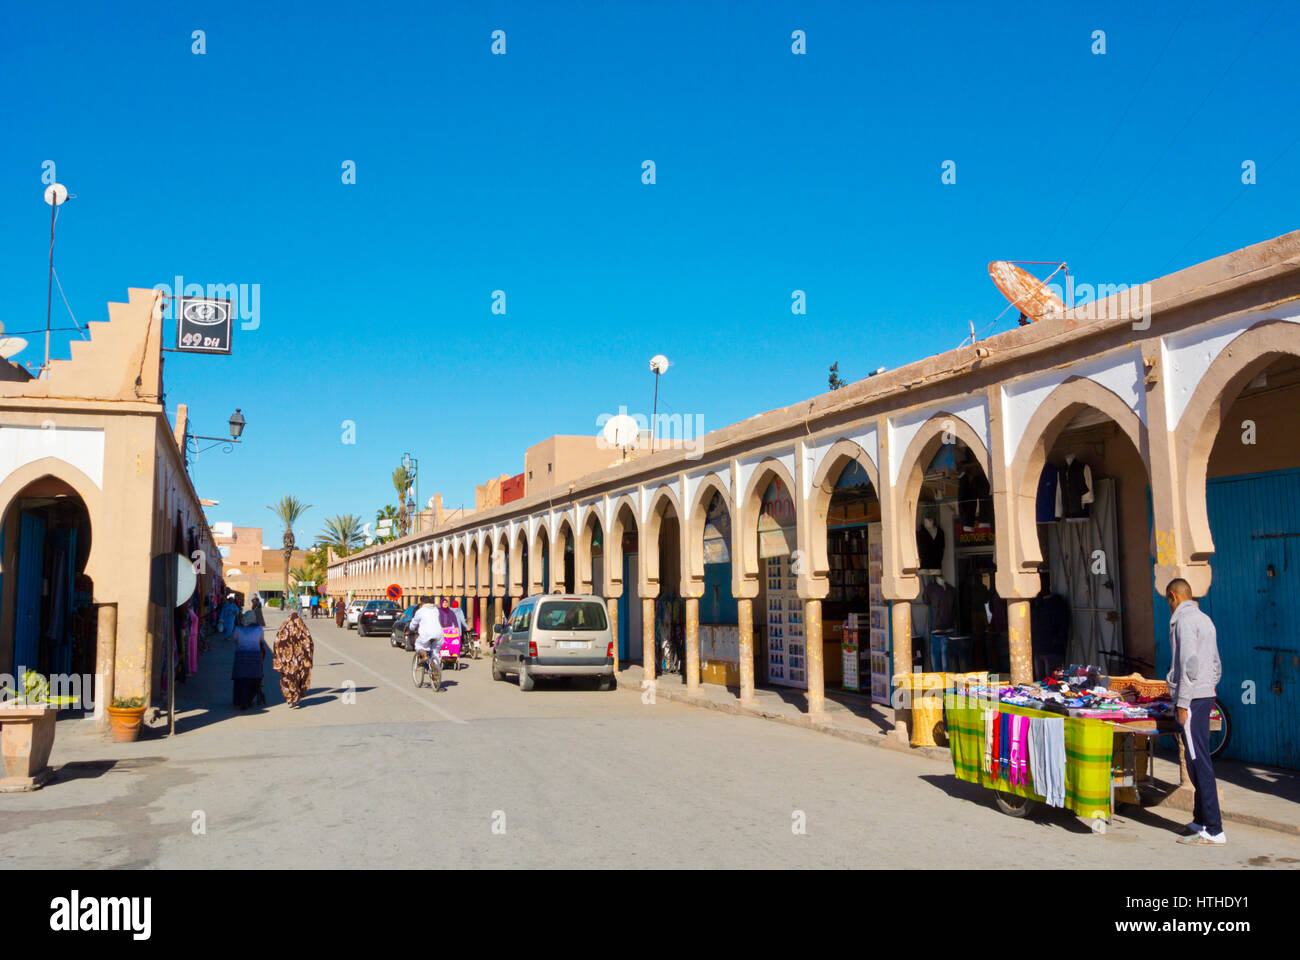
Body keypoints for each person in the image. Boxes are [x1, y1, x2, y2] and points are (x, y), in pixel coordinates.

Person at [1166, 578, 1225, 846]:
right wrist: (1209, 687)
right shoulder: (1205, 619)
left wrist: (1183, 702)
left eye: (1168, 600)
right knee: (1195, 758)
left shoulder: (1184, 622)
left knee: (1199, 761)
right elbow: (1215, 664)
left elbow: (1189, 663)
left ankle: (1214, 829)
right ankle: (1200, 819)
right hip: (1204, 695)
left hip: (1192, 699)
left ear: (1173, 597)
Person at [273, 611, 315, 708]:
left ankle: (290, 698)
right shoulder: (303, 629)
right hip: (299, 661)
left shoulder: (283, 628)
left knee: (288, 679)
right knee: (298, 679)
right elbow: (309, 643)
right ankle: (295, 699)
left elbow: (277, 643)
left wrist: (279, 657)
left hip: (287, 662)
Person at [231, 609, 268, 709]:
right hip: (255, 658)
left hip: (240, 657)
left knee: (240, 679)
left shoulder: (238, 628)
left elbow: (234, 639)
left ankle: (240, 700)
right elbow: (261, 641)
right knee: (253, 679)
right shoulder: (259, 629)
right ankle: (248, 700)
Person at [410, 596, 445, 673]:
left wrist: (411, 628)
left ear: (422, 603)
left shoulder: (420, 611)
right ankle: (435, 670)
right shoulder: (436, 610)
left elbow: (414, 623)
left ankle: (425, 656)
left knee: (418, 645)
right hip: (439, 634)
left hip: (426, 634)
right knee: (435, 652)